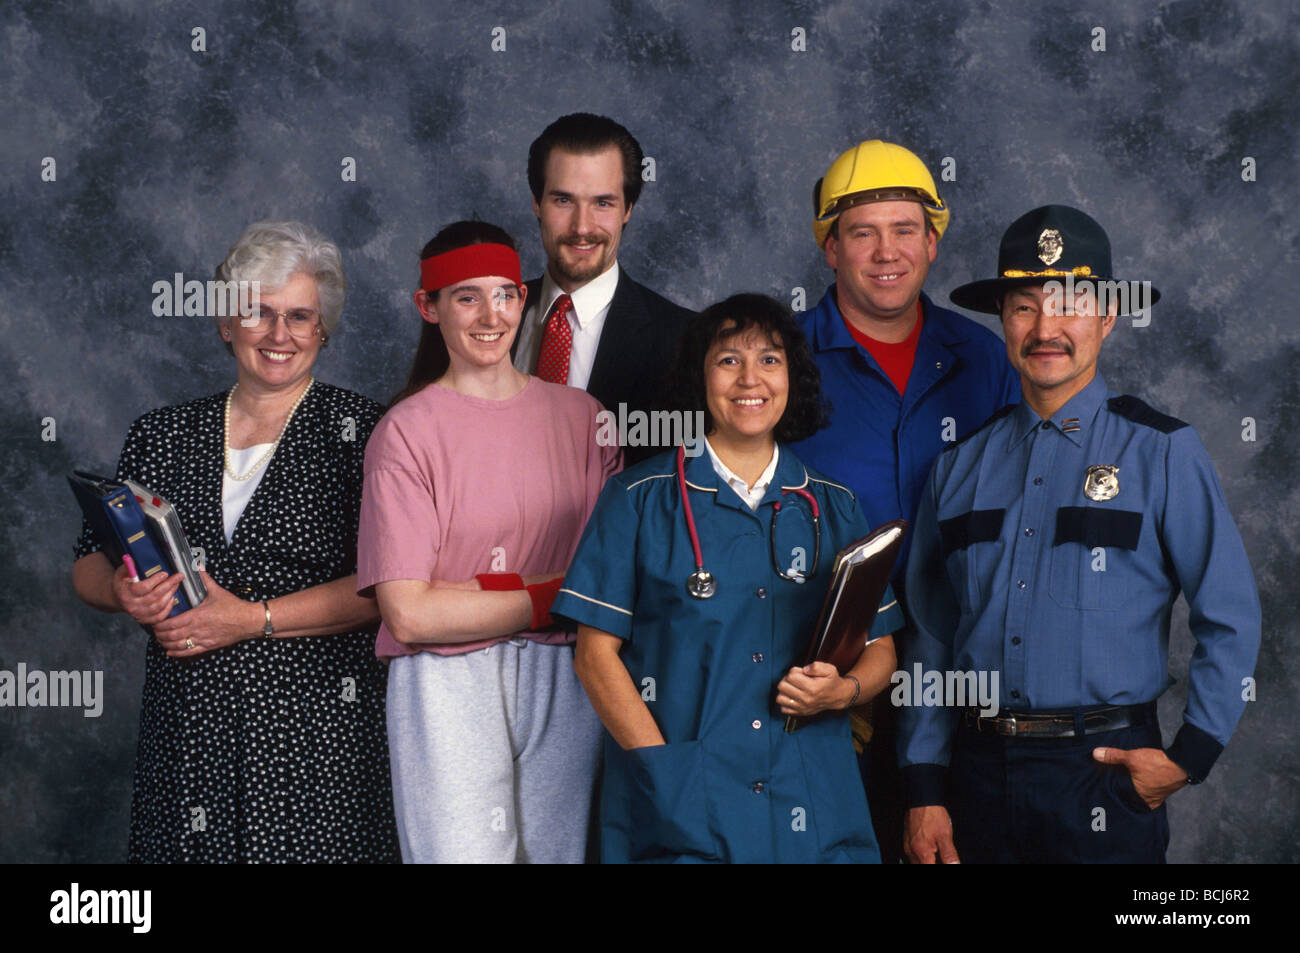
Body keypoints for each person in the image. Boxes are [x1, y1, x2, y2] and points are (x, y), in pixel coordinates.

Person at [899, 205, 1261, 863]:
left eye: (1070, 303)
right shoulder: (956, 468)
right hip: (975, 778)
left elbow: (1229, 613)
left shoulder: (1164, 452)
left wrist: (1190, 756)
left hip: (1102, 773)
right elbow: (929, 638)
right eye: (1024, 306)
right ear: (1003, 321)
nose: (1047, 328)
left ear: (1107, 317)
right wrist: (924, 785)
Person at [71, 220, 399, 862]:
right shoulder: (160, 433)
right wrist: (119, 589)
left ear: (322, 330)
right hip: (190, 728)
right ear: (225, 323)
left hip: (318, 733)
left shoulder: (369, 432)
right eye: (258, 313)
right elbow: (87, 563)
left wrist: (250, 619)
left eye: (301, 317)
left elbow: (391, 587)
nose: (280, 335)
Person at [554, 293, 905, 863]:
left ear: (792, 376)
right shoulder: (636, 501)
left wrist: (844, 691)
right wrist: (665, 774)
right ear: (700, 376)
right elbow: (595, 658)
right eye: (727, 360)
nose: (751, 378)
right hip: (683, 802)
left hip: (812, 798)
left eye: (769, 359)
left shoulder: (835, 505)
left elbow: (880, 650)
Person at [357, 220, 620, 864]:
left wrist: (475, 592)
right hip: (447, 677)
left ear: (522, 300)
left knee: (557, 856)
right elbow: (412, 613)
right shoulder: (406, 432)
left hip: (569, 671)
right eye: (466, 296)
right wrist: (548, 596)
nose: (490, 314)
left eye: (504, 293)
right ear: (429, 307)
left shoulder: (584, 419)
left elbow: (609, 586)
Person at [790, 138, 1020, 863]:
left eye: (904, 230)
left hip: (961, 685)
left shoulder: (987, 358)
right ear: (830, 248)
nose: (885, 251)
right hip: (819, 689)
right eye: (861, 232)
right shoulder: (777, 362)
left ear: (932, 241)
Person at [513, 112, 695, 463]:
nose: (582, 227)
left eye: (602, 203)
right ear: (537, 203)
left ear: (628, 208)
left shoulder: (687, 341)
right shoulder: (487, 319)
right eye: (563, 200)